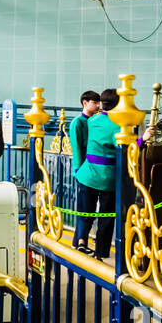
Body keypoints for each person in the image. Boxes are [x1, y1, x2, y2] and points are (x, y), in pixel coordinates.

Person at [73, 89, 119, 259]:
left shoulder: (91, 121)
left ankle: (79, 242)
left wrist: (77, 170)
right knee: (106, 217)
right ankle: (101, 251)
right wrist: (142, 140)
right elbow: (125, 146)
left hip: (87, 175)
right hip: (108, 178)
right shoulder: (118, 126)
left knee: (85, 212)